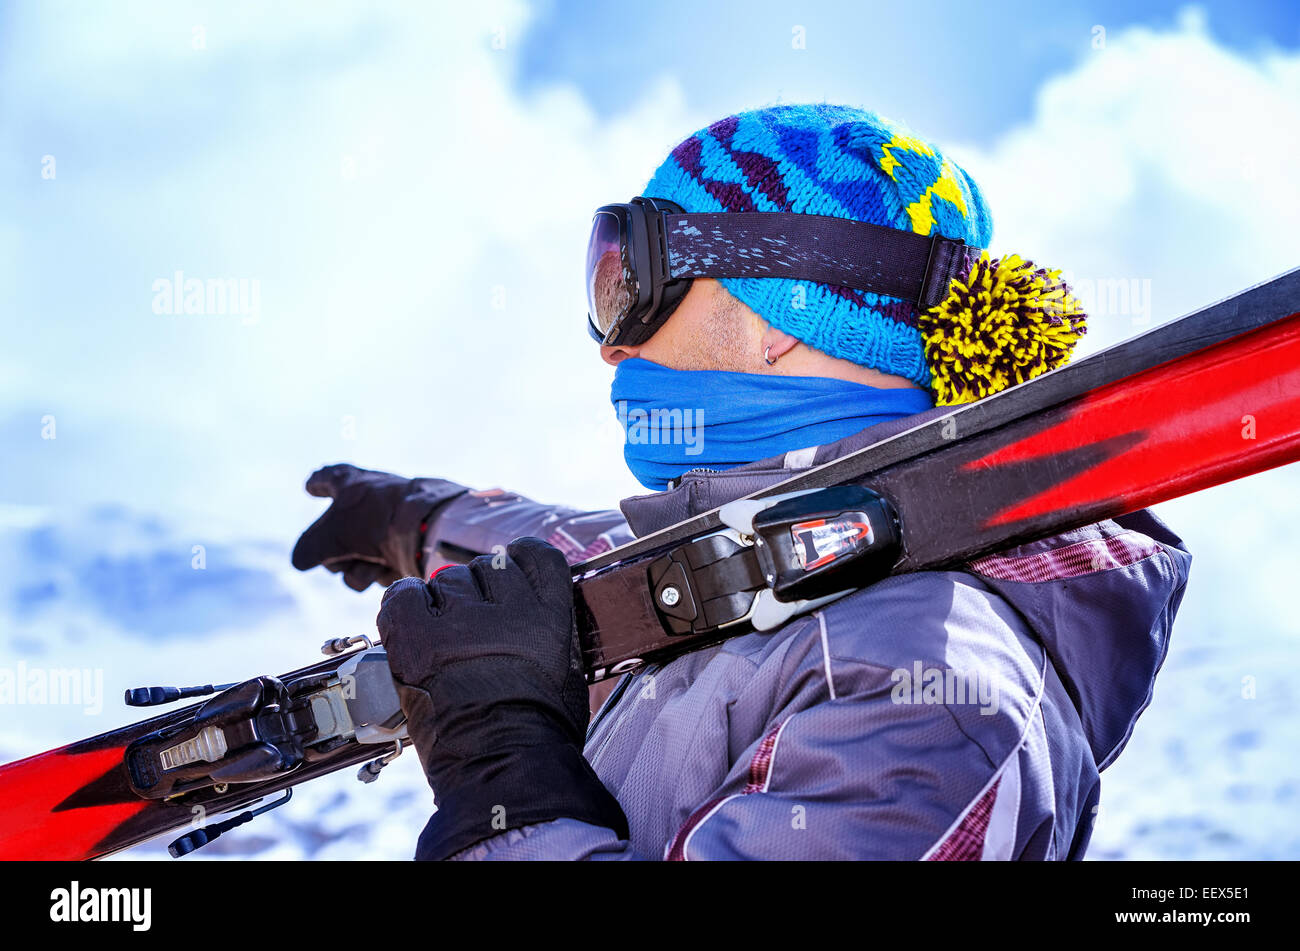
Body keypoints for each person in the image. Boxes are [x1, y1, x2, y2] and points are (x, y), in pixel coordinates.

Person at [292, 104, 1191, 860]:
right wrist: (416, 517)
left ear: (782, 314)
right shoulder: (780, 552)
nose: (612, 340)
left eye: (633, 283)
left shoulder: (932, 690)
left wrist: (507, 778)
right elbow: (610, 567)